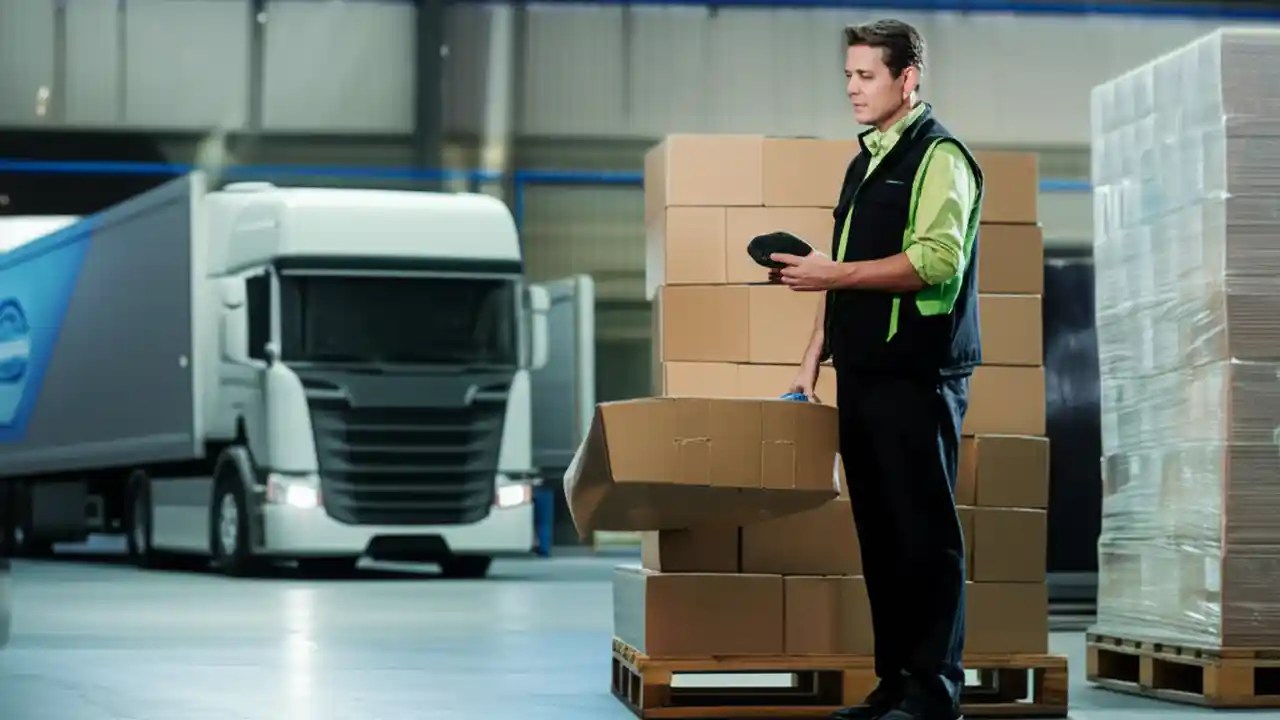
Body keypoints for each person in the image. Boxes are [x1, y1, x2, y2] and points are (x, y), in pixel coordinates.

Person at [769, 19, 984, 720]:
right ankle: (895, 681)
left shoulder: (939, 156)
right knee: (883, 536)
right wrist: (812, 355)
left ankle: (934, 690)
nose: (853, 90)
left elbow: (936, 259)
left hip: (918, 375)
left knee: (923, 534)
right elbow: (841, 272)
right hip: (863, 373)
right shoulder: (865, 163)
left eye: (866, 76)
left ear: (907, 78)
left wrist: (837, 272)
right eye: (848, 77)